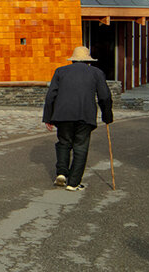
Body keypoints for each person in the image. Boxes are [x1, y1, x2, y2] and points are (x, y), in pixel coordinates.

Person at [42, 46, 113, 191]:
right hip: (85, 115)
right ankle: (73, 183)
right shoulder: (96, 73)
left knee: (64, 143)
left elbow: (50, 96)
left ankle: (62, 172)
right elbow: (104, 96)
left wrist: (48, 117)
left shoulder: (60, 71)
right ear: (88, 61)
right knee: (80, 147)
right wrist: (107, 116)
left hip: (63, 114)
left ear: (73, 60)